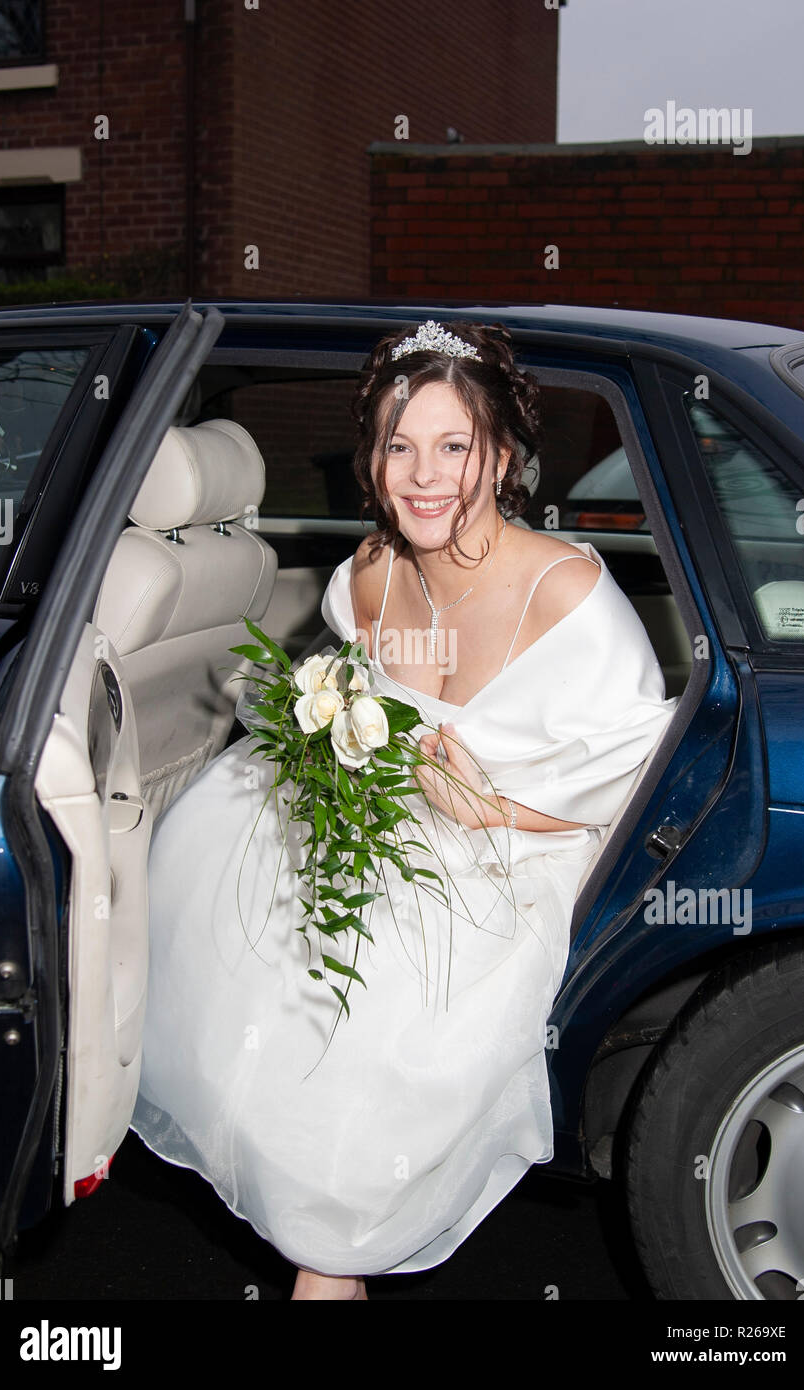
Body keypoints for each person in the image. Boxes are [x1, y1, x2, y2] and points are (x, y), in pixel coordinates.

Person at [129, 319, 678, 1300]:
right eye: (398, 444)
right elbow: (371, 716)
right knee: (230, 898)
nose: (423, 475)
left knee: (367, 1038)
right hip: (382, 825)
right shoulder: (371, 578)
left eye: (453, 445)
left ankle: (325, 1260)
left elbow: (646, 790)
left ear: (502, 457)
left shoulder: (570, 594)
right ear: (371, 459)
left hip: (517, 856)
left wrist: (492, 809)